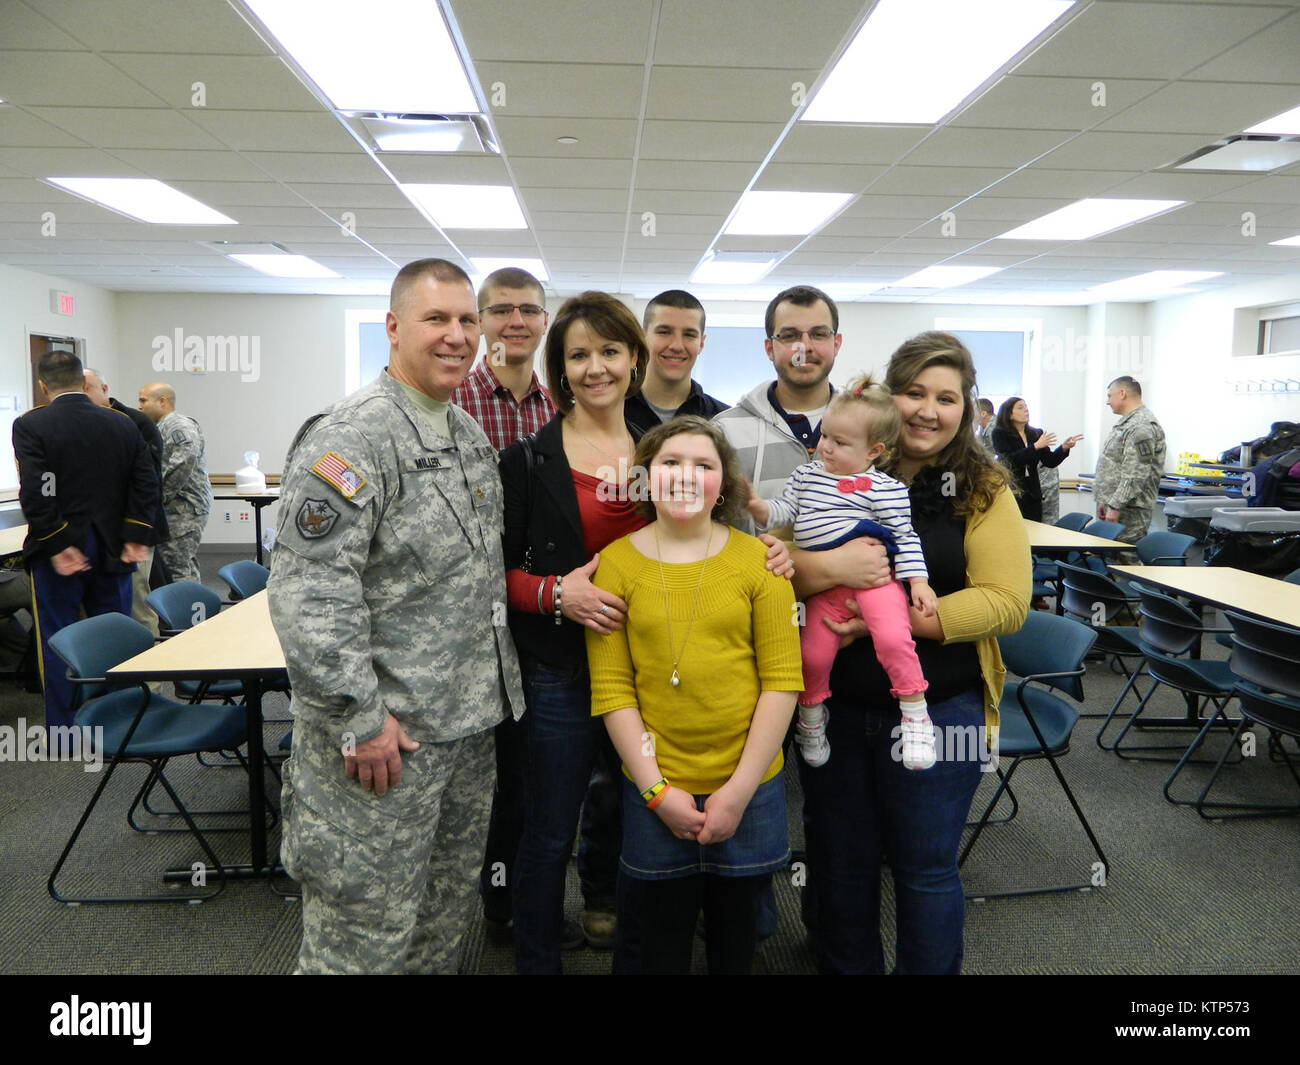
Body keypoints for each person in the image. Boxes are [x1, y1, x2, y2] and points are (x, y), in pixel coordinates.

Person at [500, 292, 791, 974]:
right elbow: (497, 575)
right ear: (560, 368)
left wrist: (776, 551)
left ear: (634, 358)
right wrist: (555, 592)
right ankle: (538, 958)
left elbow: (719, 532)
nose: (595, 367)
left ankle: (645, 919)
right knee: (549, 829)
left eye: (609, 351)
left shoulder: (666, 444)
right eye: (578, 355)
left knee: (640, 800)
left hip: (662, 663)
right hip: (563, 667)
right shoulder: (528, 460)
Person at [267, 258, 524, 974]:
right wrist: (360, 716)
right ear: (393, 326)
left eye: (468, 319)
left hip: (464, 729)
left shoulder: (466, 432)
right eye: (436, 319)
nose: (457, 335)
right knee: (363, 936)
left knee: (440, 925)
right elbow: (309, 590)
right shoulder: (352, 436)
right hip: (386, 741)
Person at [793, 330, 1030, 974]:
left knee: (925, 871)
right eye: (914, 391)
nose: (928, 409)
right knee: (842, 866)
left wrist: (886, 622)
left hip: (941, 708)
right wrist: (833, 566)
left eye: (947, 397)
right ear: (888, 401)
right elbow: (781, 570)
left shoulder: (983, 489)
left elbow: (1006, 602)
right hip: (835, 705)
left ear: (965, 406)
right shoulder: (839, 469)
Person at [586, 416, 802, 974]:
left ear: (724, 483)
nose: (686, 476)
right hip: (657, 785)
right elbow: (613, 692)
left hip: (749, 783)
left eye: (703, 465)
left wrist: (737, 792)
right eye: (671, 463)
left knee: (737, 939)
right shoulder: (615, 566)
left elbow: (782, 681)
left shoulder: (760, 562)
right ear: (645, 478)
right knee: (659, 939)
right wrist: (657, 791)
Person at [748, 375, 935, 771]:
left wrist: (918, 582)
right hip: (824, 589)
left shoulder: (884, 488)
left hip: (877, 584)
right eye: (825, 436)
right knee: (812, 655)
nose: (824, 447)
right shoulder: (806, 475)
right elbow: (784, 511)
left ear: (874, 450)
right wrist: (759, 508)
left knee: (894, 639)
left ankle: (915, 712)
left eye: (839, 442)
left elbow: (905, 538)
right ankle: (811, 717)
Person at [13, 350, 158, 735]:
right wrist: (136, 536)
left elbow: (37, 489)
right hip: (114, 547)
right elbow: (145, 484)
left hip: (59, 550)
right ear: (82, 381)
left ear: (43, 387)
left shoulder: (32, 425)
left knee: (59, 639)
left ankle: (64, 732)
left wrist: (58, 543)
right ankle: (121, 723)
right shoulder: (121, 424)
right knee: (115, 635)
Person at [715, 286, 841, 530]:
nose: (804, 347)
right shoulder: (724, 433)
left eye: (818, 334)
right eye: (789, 336)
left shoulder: (868, 427)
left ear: (836, 343)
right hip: (751, 568)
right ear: (769, 348)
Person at [84, 368, 169, 634]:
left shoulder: (135, 422)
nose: (81, 394)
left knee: (137, 602)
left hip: (135, 527)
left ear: (105, 389)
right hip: (96, 532)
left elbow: (149, 482)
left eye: (88, 387)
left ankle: (151, 674)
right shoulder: (81, 424)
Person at [622, 289, 728, 436]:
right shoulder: (614, 412)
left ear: (701, 344)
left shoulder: (723, 421)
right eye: (664, 332)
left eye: (689, 335)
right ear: (643, 337)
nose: (676, 346)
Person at [138, 382, 212, 582]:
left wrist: (157, 497)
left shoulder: (178, 426)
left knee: (176, 569)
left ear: (162, 401)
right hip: (178, 508)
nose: (139, 406)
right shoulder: (163, 426)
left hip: (183, 509)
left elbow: (183, 463)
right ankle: (198, 609)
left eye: (143, 400)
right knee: (184, 564)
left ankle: (183, 612)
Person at [1093, 375, 1166, 545]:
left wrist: (1115, 505)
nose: (1107, 401)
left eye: (1110, 396)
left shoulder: (1141, 426)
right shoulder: (1127, 423)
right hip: (1116, 505)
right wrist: (1105, 500)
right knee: (1108, 559)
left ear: (1122, 393)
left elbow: (1135, 474)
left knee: (1125, 561)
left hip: (1130, 509)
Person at [990, 396, 1081, 523]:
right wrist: (1035, 447)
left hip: (1033, 493)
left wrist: (1064, 448)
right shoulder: (999, 433)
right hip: (1012, 491)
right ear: (1009, 414)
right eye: (1021, 408)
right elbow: (1009, 460)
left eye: (1026, 407)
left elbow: (1050, 461)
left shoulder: (1036, 434)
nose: (1026, 410)